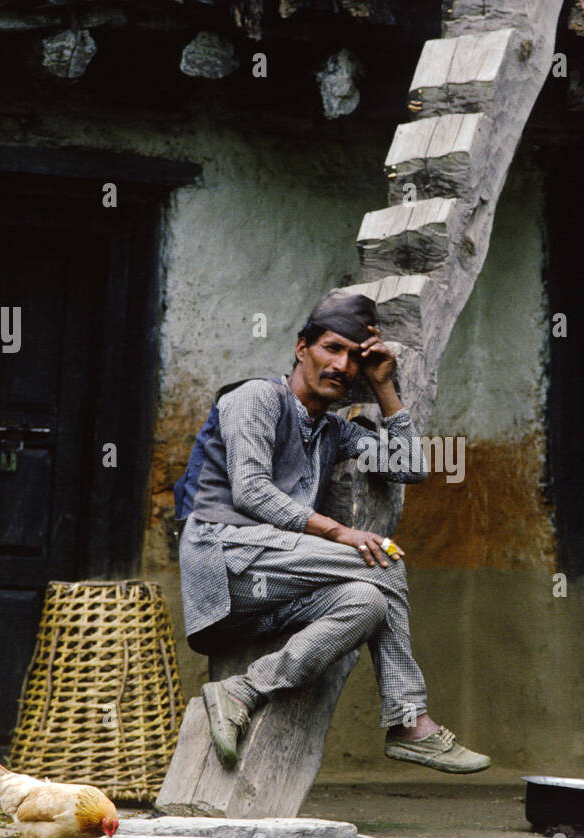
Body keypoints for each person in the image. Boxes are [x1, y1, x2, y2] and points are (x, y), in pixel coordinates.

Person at [177, 288, 491, 774]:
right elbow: (251, 491)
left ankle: (244, 689)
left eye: (353, 359)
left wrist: (385, 388)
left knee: (367, 604)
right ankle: (409, 720)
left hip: (270, 586)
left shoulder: (333, 431)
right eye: (331, 348)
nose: (342, 366)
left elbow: (412, 467)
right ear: (301, 348)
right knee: (384, 561)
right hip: (223, 562)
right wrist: (337, 531)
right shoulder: (256, 398)